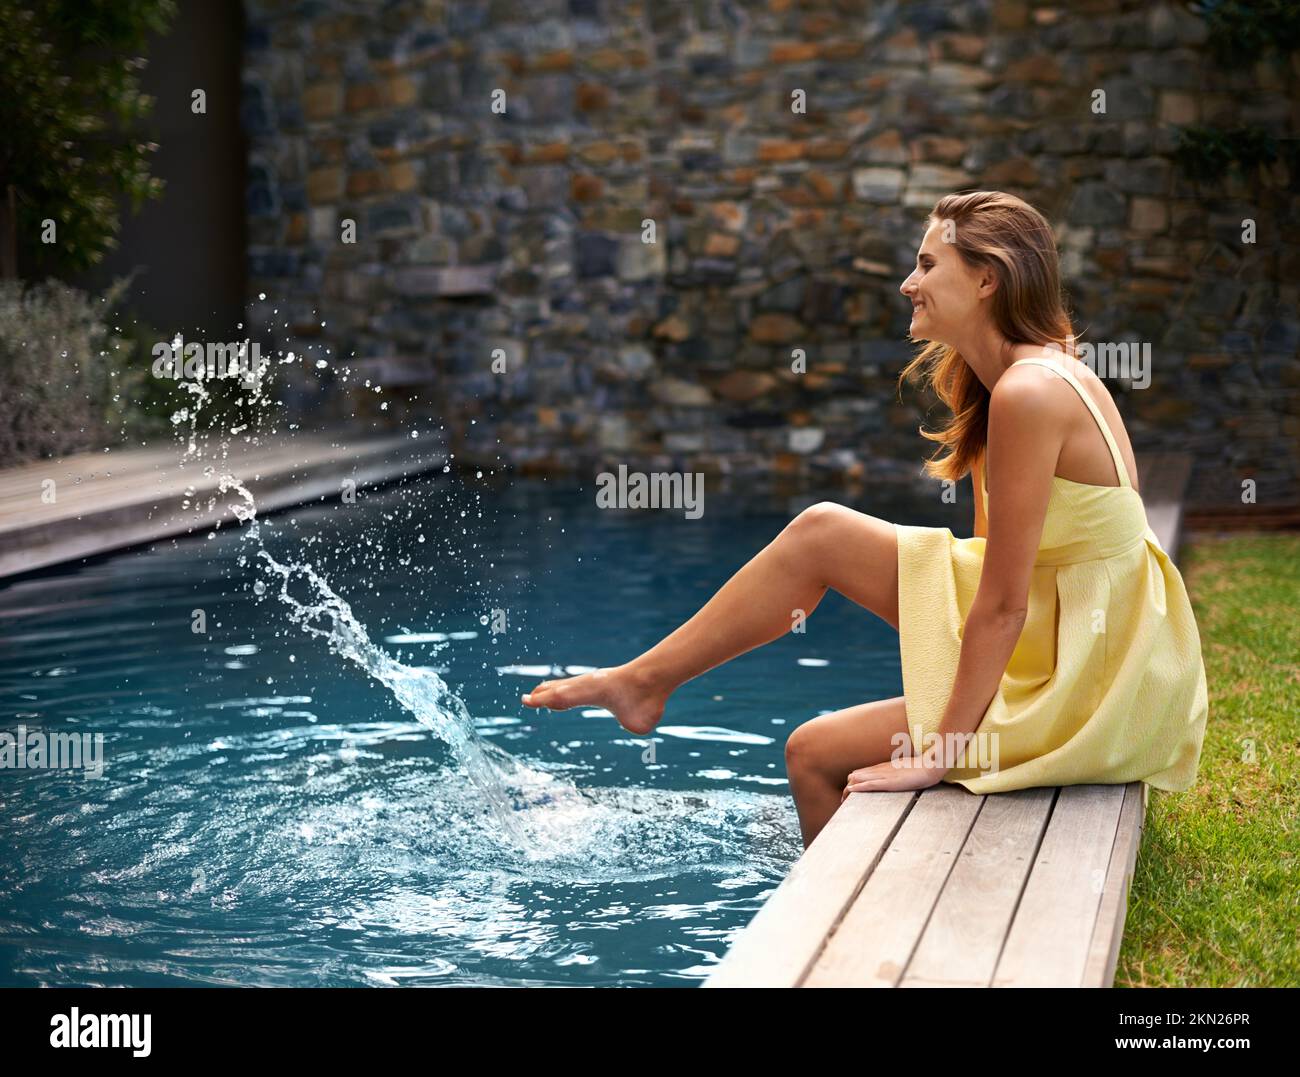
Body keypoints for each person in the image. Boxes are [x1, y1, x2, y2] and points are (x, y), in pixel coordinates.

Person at [522, 190, 1209, 850]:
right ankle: (645, 681)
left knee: (812, 751)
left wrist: (936, 754)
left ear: (987, 280)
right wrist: (939, 681)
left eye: (928, 265)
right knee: (823, 533)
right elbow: (988, 561)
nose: (909, 283)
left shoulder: (1031, 392)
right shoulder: (1017, 381)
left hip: (1089, 678)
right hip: (1068, 636)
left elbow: (1000, 605)